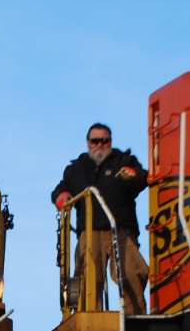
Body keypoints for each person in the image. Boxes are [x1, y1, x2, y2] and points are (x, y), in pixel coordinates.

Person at [51, 123, 149, 314]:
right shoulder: (76, 168)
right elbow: (60, 190)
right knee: (86, 278)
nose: (100, 145)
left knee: (132, 272)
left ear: (110, 142)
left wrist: (132, 176)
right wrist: (62, 197)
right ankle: (88, 320)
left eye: (105, 141)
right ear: (88, 142)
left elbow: (142, 177)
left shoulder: (124, 160)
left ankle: (135, 319)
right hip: (89, 233)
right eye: (95, 141)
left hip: (121, 230)